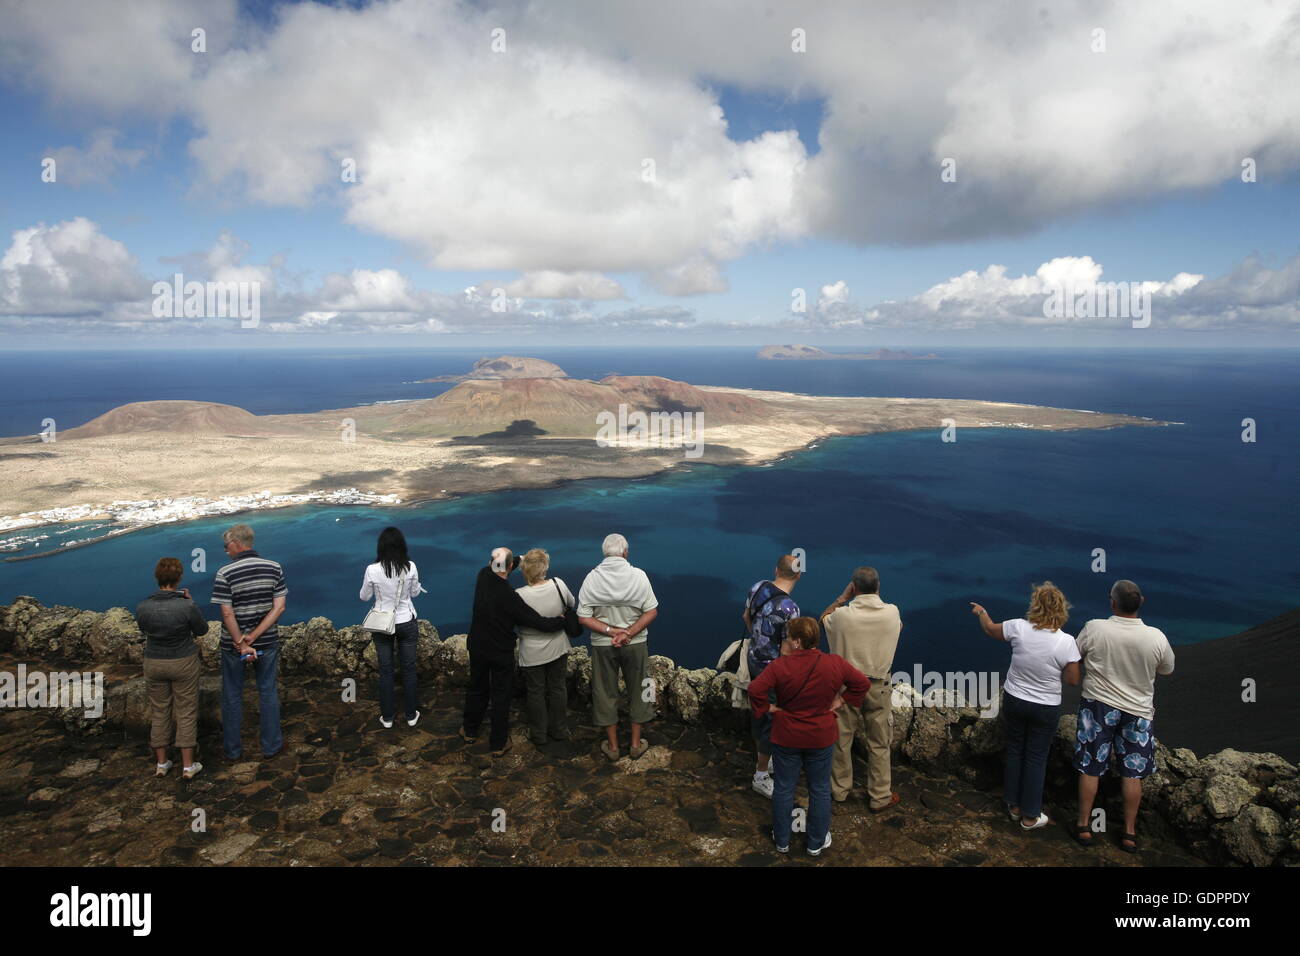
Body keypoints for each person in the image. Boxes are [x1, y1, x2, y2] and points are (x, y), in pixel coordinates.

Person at [748, 616, 870, 856]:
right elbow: (861, 683)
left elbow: (755, 689)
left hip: (787, 735)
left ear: (797, 642)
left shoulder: (780, 666)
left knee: (784, 787)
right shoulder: (834, 663)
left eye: (789, 637)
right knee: (820, 788)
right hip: (820, 736)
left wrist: (768, 709)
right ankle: (816, 842)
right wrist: (840, 701)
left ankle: (782, 839)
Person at [1072, 579, 1175, 853]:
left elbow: (1074, 655)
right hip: (1138, 711)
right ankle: (1129, 832)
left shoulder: (1094, 628)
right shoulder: (1156, 636)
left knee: (1090, 766)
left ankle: (1083, 824)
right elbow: (1167, 669)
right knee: (1132, 774)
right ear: (1141, 602)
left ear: (1112, 602)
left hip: (1098, 706)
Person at [970, 582, 1081, 831]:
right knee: (1036, 757)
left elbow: (989, 629)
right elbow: (1073, 680)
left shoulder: (1018, 627)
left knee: (1015, 749)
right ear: (1062, 609)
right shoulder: (1066, 642)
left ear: (1035, 605)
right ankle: (1030, 815)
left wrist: (982, 612)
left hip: (1015, 699)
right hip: (1045, 706)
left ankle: (1013, 805)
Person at [462, 547, 565, 757]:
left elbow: (501, 563)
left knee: (477, 687)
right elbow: (537, 622)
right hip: (500, 650)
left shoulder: (483, 575)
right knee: (501, 696)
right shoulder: (510, 597)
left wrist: (520, 559)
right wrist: (560, 622)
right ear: (510, 567)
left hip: (478, 645)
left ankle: (470, 729)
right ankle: (498, 743)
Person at [821, 566, 903, 812]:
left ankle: (839, 790)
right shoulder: (892, 612)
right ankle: (879, 796)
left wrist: (842, 598)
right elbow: (899, 627)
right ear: (878, 587)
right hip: (878, 684)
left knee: (841, 739)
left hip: (846, 685)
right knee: (879, 742)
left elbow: (822, 620)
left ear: (853, 588)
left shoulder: (843, 615)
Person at [577, 533, 659, 762]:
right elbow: (651, 611)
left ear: (604, 553)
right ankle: (635, 744)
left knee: (604, 691)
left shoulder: (592, 578)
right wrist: (628, 633)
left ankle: (612, 746)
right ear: (625, 552)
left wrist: (612, 632)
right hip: (636, 643)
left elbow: (583, 617)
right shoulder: (639, 576)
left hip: (603, 645)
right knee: (642, 686)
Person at [211, 523, 287, 761]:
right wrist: (255, 636)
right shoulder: (274, 568)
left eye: (226, 547)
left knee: (232, 694)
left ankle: (233, 750)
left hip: (233, 645)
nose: (226, 551)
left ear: (235, 544)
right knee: (268, 691)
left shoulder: (225, 573)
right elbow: (279, 607)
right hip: (267, 641)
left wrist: (242, 642)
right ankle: (271, 746)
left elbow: (227, 613)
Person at [136, 557, 208, 780]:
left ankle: (161, 763)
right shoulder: (186, 605)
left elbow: (143, 629)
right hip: (182, 661)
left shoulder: (143, 607)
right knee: (186, 711)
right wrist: (190, 602)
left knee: (159, 711)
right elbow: (202, 629)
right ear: (179, 578)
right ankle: (188, 766)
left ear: (157, 578)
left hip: (154, 661)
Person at [742, 555, 802, 798]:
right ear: (798, 575)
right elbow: (789, 649)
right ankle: (761, 775)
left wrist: (759, 641)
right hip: (774, 671)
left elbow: (746, 618)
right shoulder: (791, 609)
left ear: (776, 570)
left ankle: (767, 760)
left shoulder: (758, 587)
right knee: (772, 720)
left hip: (754, 660)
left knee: (760, 713)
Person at [360, 526, 425, 729]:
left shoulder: (372, 570)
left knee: (386, 671)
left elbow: (364, 596)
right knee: (409, 669)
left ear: (380, 547)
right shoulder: (410, 567)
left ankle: (387, 717)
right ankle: (411, 714)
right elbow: (414, 593)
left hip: (382, 624)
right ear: (401, 546)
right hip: (406, 620)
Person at [515, 548, 576, 746]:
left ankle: (539, 733)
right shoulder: (558, 585)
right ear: (545, 567)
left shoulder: (518, 595)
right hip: (558, 645)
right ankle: (559, 730)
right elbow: (572, 603)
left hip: (531, 650)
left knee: (535, 691)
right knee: (558, 688)